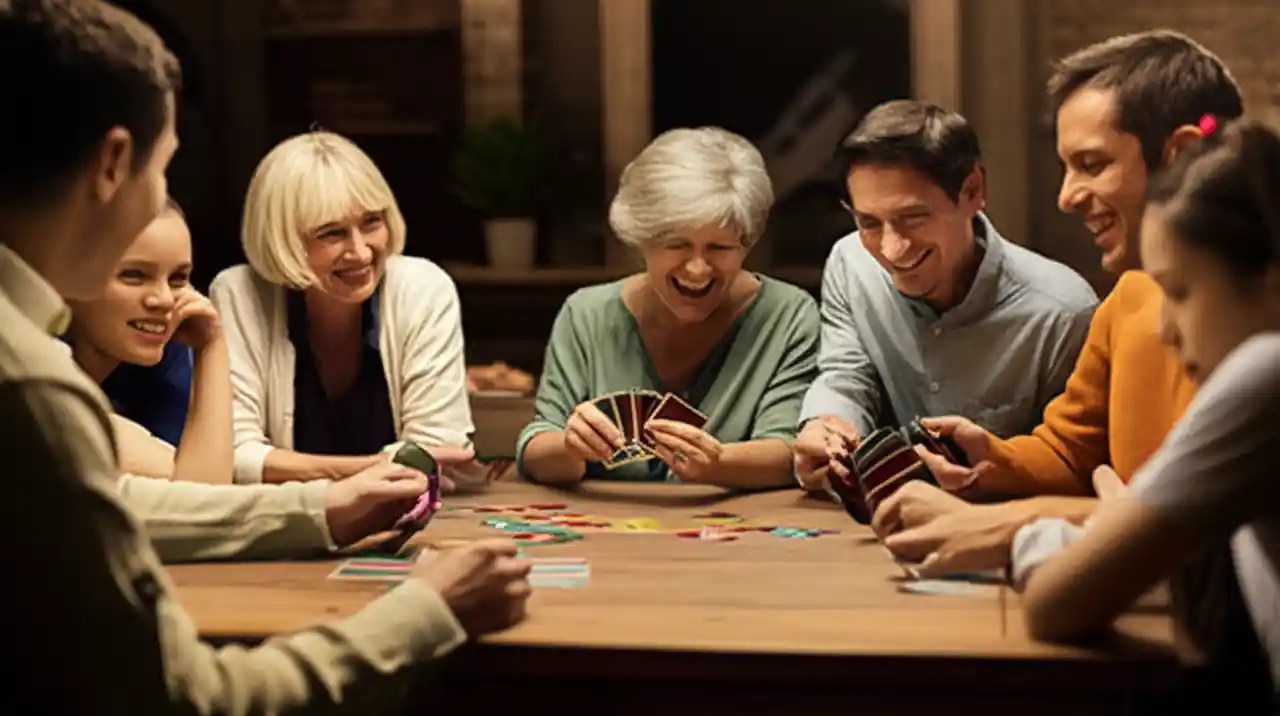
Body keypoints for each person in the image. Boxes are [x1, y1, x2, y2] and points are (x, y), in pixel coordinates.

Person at [0, 3, 529, 716]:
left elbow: (122, 509)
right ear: (114, 164)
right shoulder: (29, 384)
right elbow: (189, 701)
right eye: (164, 169)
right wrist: (427, 610)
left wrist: (318, 510)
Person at [873, 30, 1247, 577]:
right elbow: (1073, 449)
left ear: (1184, 154)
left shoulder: (1257, 322)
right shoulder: (1128, 297)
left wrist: (1019, 526)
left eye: (1092, 165)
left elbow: (1194, 525)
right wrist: (991, 461)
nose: (1066, 196)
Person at [1014, 118, 1280, 709]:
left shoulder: (1267, 372)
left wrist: (1047, 537)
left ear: (1271, 281)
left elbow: (1054, 605)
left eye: (1180, 291)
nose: (1163, 328)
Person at [792, 100, 1097, 495]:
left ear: (972, 192)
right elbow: (847, 374)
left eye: (913, 218)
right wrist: (826, 425)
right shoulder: (851, 264)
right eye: (869, 222)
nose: (892, 248)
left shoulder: (1063, 313)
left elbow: (1072, 461)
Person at [517, 127, 819, 489]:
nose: (697, 269)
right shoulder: (586, 313)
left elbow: (791, 454)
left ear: (747, 243)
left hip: (742, 538)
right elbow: (536, 448)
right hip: (604, 538)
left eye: (720, 248)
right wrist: (570, 447)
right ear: (641, 238)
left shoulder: (788, 316)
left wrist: (718, 463)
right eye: (677, 245)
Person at [210, 131, 489, 488]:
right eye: (332, 233)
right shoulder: (238, 293)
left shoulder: (423, 288)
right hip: (288, 523)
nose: (361, 252)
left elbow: (442, 448)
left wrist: (289, 467)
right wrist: (371, 468)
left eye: (372, 222)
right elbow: (231, 456)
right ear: (282, 238)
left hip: (411, 520)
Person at [64, 198, 232, 484]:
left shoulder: (171, 348)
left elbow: (208, 503)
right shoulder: (28, 355)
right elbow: (196, 496)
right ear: (69, 279)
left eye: (178, 278)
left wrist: (212, 345)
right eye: (134, 275)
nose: (164, 300)